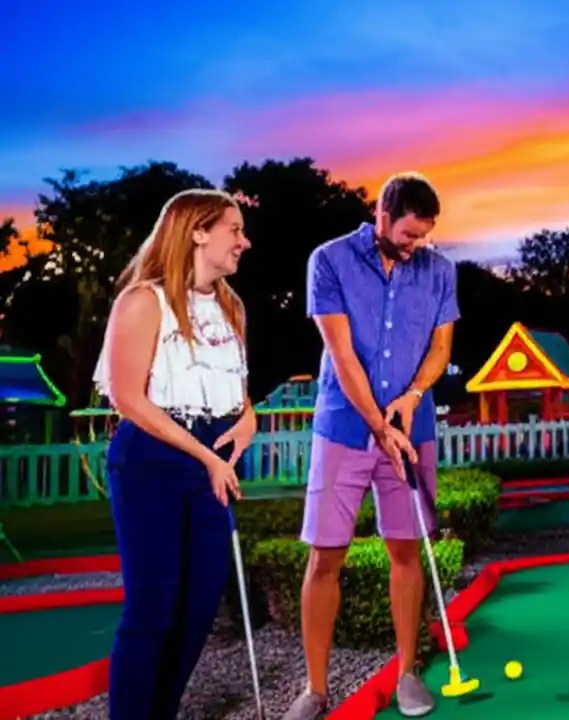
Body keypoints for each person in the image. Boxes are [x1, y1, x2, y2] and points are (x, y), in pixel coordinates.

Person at [286, 172, 458, 719]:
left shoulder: (440, 270)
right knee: (325, 556)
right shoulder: (329, 261)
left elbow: (440, 348)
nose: (416, 247)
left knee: (406, 550)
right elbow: (342, 355)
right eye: (409, 235)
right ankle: (315, 690)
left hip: (414, 428)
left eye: (424, 237)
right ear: (382, 215)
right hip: (344, 428)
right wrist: (378, 426)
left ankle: (407, 673)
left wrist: (411, 398)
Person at [93, 188, 256, 719]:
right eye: (234, 230)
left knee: (198, 609)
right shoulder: (143, 301)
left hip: (212, 456)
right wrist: (205, 456)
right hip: (152, 460)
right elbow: (128, 397)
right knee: (152, 610)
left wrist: (248, 417)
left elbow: (234, 386)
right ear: (197, 231)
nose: (244, 242)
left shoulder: (232, 306)